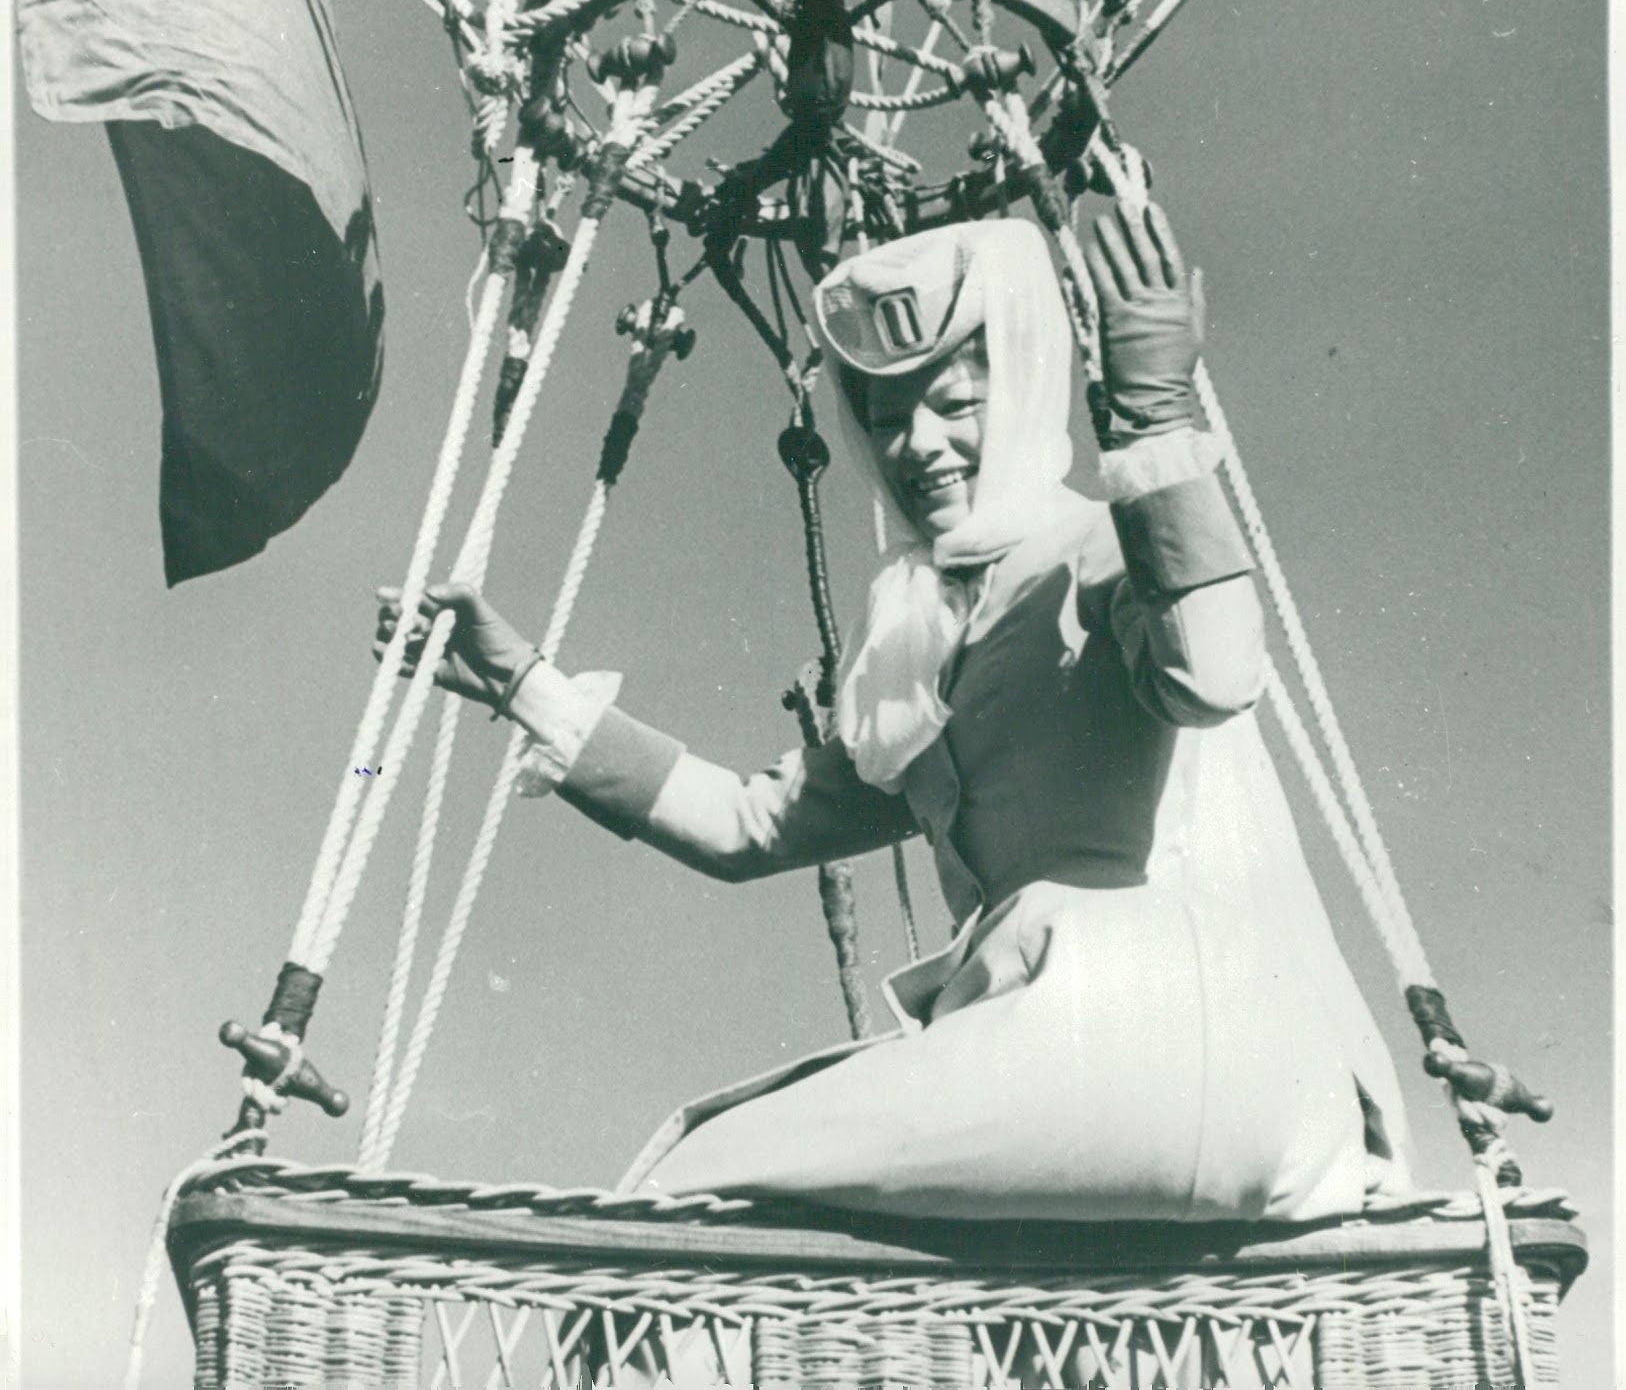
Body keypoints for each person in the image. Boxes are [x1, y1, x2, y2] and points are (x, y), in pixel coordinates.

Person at [377, 200, 1411, 1227]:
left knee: (700, 1173)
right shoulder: (922, 641)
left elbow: (1217, 674)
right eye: (883, 418)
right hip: (1073, 1064)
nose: (917, 447)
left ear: (1026, 385)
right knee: (719, 1176)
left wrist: (1156, 427)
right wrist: (522, 681)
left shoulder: (1102, 548)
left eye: (956, 404)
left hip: (1171, 1035)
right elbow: (749, 824)